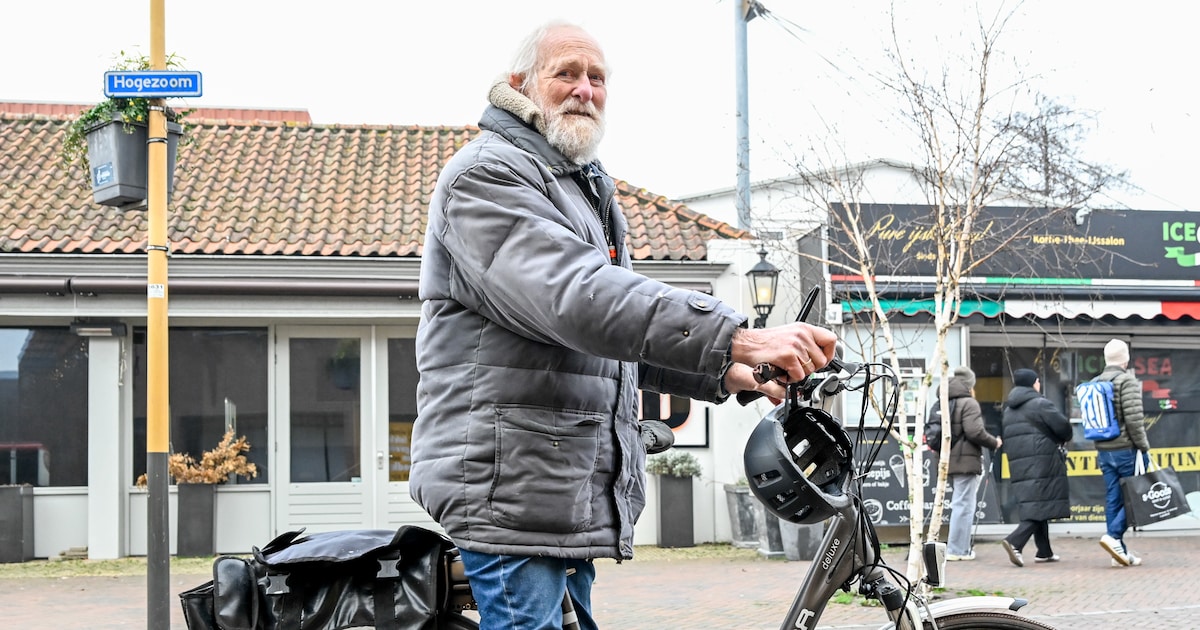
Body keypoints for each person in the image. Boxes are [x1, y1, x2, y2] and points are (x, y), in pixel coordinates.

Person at [409, 21, 839, 630]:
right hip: (511, 486)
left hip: (557, 487)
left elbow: (607, 342)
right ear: (520, 85)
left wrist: (730, 372)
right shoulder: (487, 175)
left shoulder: (580, 187)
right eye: (566, 73)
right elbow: (578, 298)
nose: (585, 89)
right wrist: (737, 336)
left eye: (597, 77)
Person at [998, 368, 1072, 567]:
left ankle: (1044, 551)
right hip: (1043, 460)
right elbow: (1063, 427)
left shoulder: (1009, 409)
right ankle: (1015, 541)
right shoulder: (1040, 404)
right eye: (1037, 381)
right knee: (1039, 505)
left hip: (1019, 463)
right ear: (1033, 383)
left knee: (1038, 503)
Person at [1092, 339, 1151, 567]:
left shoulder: (1095, 382)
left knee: (1114, 498)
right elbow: (1134, 420)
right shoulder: (1127, 381)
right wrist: (1143, 447)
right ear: (1125, 359)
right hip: (1127, 449)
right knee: (1137, 497)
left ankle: (1119, 553)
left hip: (1104, 450)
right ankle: (1114, 536)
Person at [943, 366, 1002, 561]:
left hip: (947, 460)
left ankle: (957, 547)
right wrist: (994, 442)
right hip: (965, 461)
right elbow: (975, 431)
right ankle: (957, 550)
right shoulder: (969, 403)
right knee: (964, 505)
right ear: (969, 384)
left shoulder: (943, 399)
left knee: (959, 504)